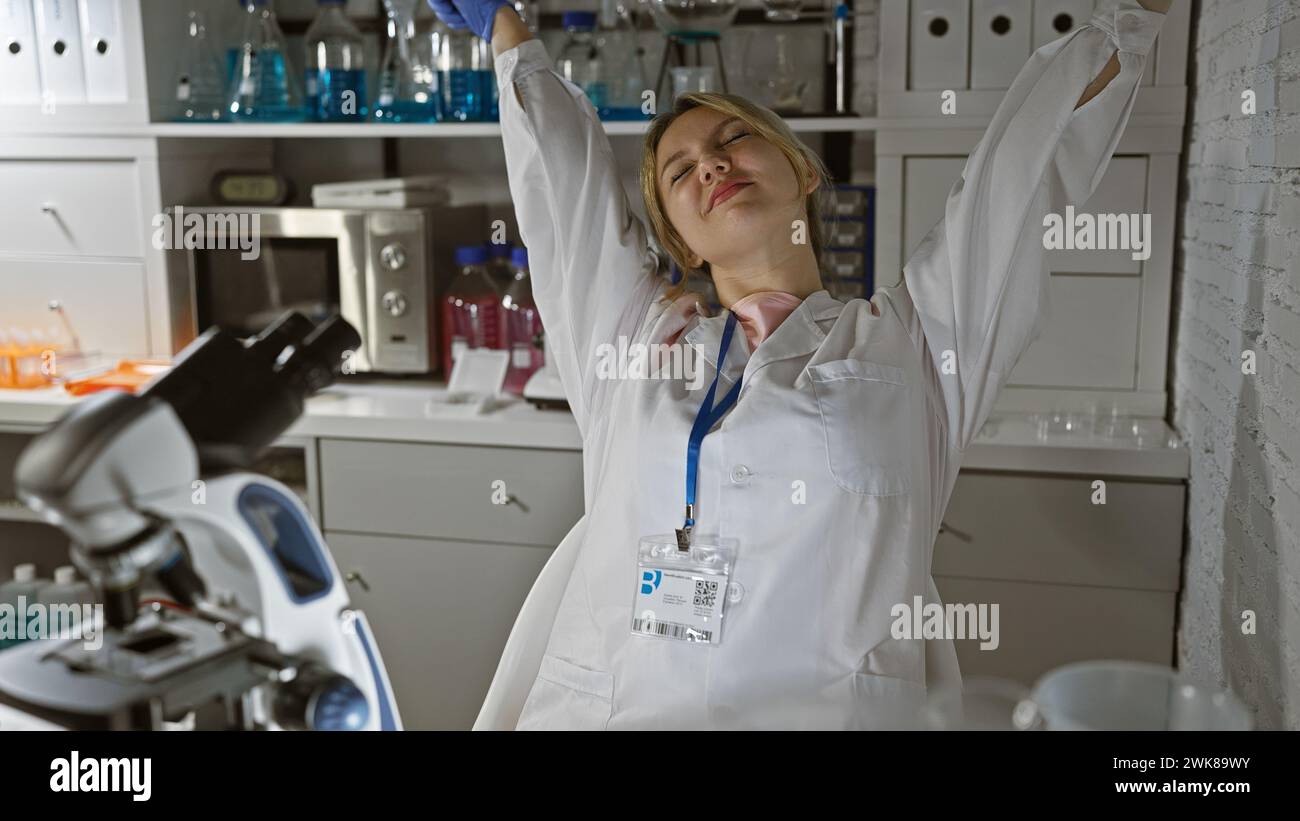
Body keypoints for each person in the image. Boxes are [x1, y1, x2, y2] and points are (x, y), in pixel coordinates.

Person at [427, 0, 1172, 730]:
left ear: (805, 172)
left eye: (736, 138)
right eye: (681, 171)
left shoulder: (914, 341)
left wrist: (1130, 17)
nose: (712, 162)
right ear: (682, 244)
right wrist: (507, 27)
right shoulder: (638, 344)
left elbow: (1017, 177)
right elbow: (566, 198)